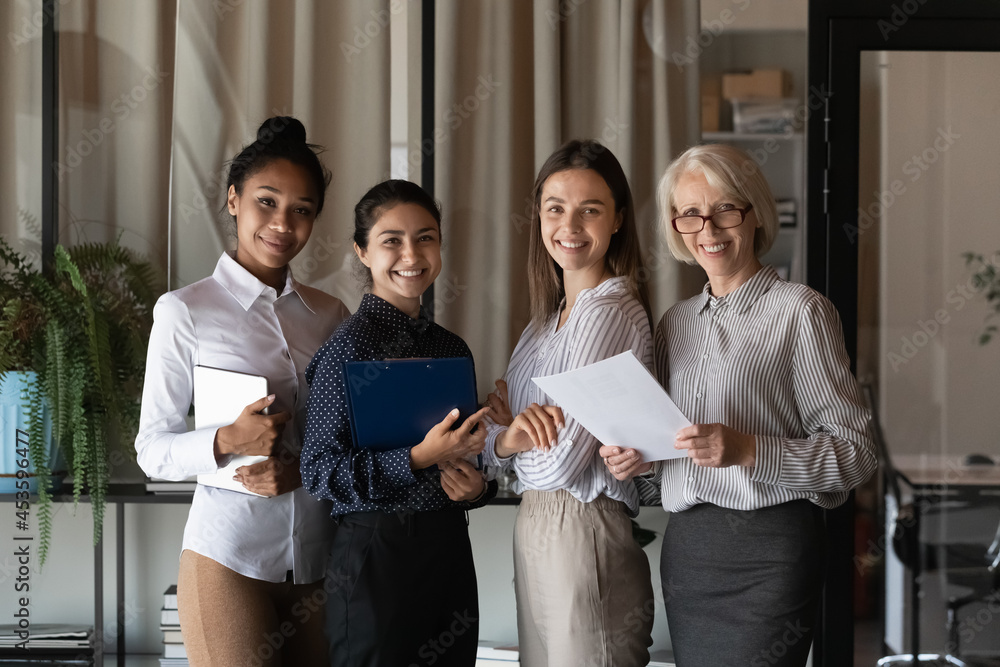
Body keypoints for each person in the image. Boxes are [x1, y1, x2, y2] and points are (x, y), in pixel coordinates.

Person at [600, 142, 877, 667]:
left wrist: (750, 449)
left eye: (725, 208)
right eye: (689, 214)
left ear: (754, 213)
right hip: (690, 553)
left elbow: (855, 455)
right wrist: (641, 461)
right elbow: (669, 462)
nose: (708, 229)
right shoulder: (673, 325)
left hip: (772, 550)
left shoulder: (801, 312)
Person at [135, 116, 350, 666]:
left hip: (321, 561)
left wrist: (304, 469)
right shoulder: (185, 311)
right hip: (228, 559)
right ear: (233, 200)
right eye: (267, 202)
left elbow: (349, 437)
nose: (283, 223)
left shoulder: (331, 316)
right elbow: (152, 450)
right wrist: (228, 438)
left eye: (301, 209)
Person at [300, 179, 496, 667]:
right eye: (392, 240)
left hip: (449, 548)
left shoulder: (453, 350)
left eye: (426, 237)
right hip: (375, 554)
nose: (412, 253)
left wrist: (477, 489)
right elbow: (317, 471)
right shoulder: (348, 349)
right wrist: (416, 459)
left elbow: (471, 455)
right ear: (362, 252)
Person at [481, 139, 655, 667]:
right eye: (555, 208)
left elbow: (557, 462)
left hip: (583, 527)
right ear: (538, 216)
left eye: (590, 210)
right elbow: (489, 448)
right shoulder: (543, 324)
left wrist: (508, 439)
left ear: (618, 218)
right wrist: (508, 436)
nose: (570, 225)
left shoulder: (607, 313)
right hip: (536, 527)